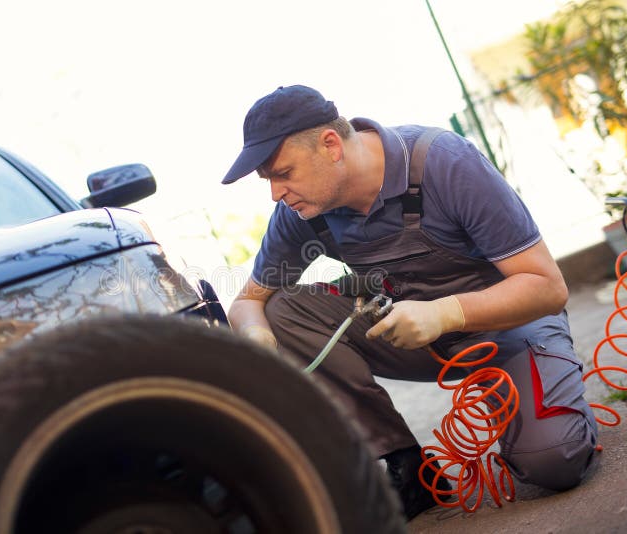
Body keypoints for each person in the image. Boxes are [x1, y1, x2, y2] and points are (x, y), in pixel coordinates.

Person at [221, 85, 598, 520]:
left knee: (554, 460)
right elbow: (249, 301)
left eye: (282, 172)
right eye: (268, 180)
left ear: (330, 146)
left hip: (508, 329)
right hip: (414, 339)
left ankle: (536, 404)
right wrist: (258, 336)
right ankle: (406, 466)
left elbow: (547, 287)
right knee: (281, 311)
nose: (275, 193)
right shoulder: (301, 211)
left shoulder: (443, 162)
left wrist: (445, 313)